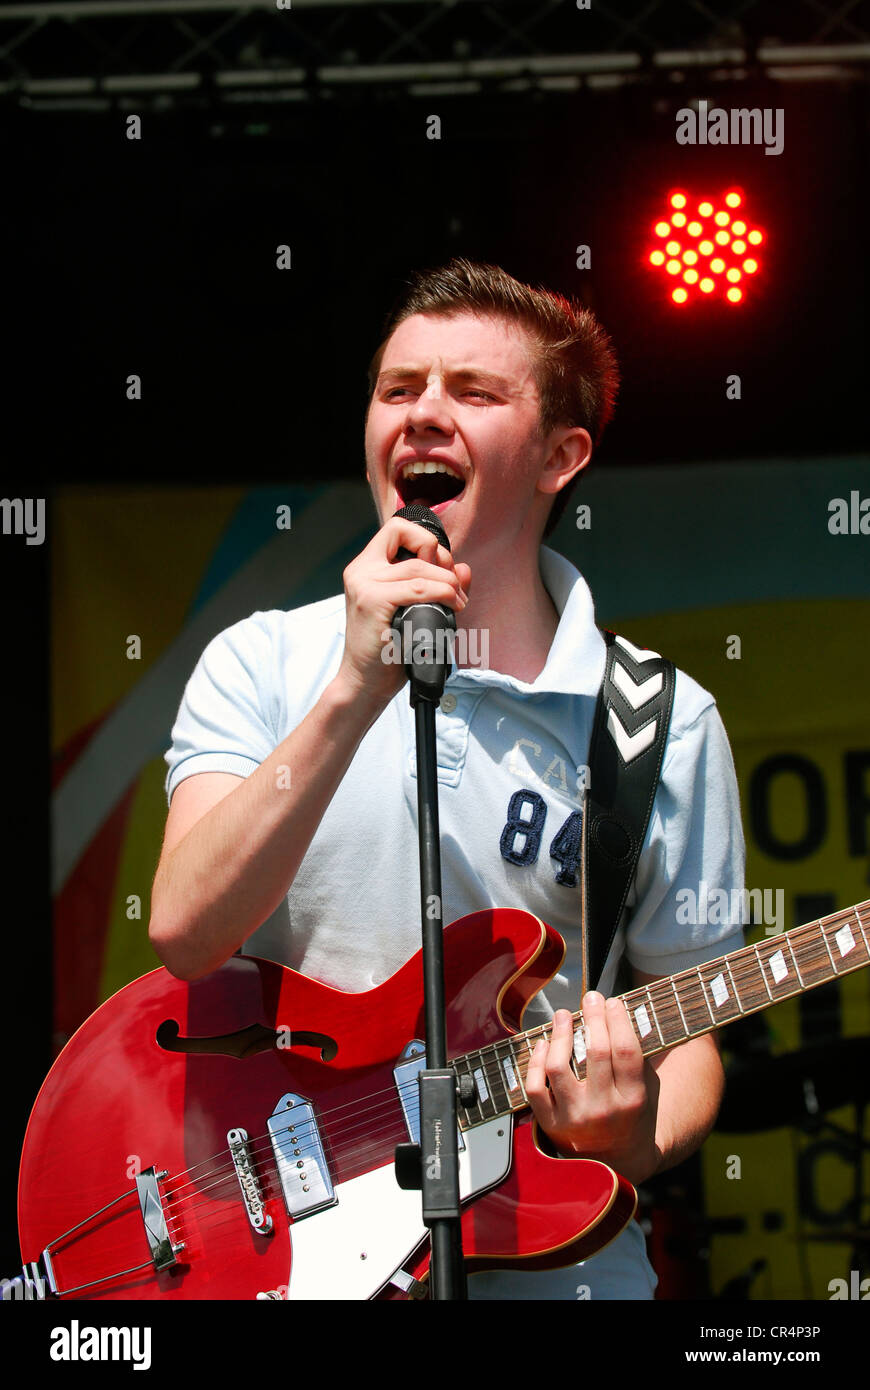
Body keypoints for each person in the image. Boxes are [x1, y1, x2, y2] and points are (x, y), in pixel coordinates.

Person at [150, 258, 745, 1299]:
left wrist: (629, 1134)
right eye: (398, 389)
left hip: (549, 1265)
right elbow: (187, 930)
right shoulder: (263, 662)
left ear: (561, 456)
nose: (424, 413)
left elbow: (691, 1034)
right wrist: (354, 686)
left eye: (473, 392)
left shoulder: (664, 725)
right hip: (278, 1251)